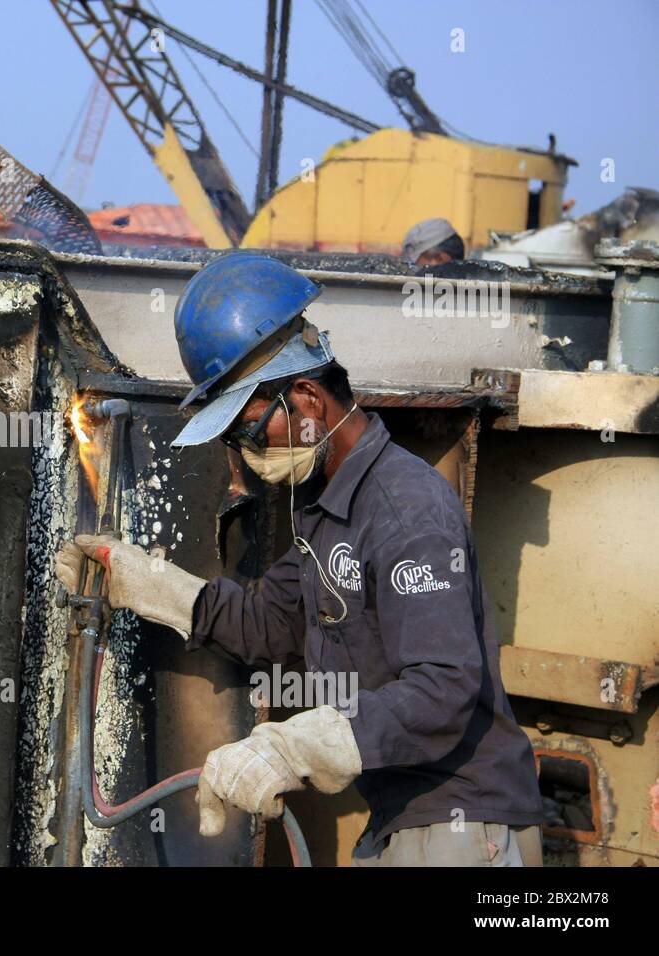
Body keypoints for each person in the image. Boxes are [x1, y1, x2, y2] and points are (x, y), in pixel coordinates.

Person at [54, 253, 543, 866]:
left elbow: (442, 689)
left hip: (464, 823)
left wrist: (293, 748)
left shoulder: (403, 506)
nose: (246, 456)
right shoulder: (326, 508)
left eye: (251, 432)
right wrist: (150, 585)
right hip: (407, 819)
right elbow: (269, 625)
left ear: (307, 398)